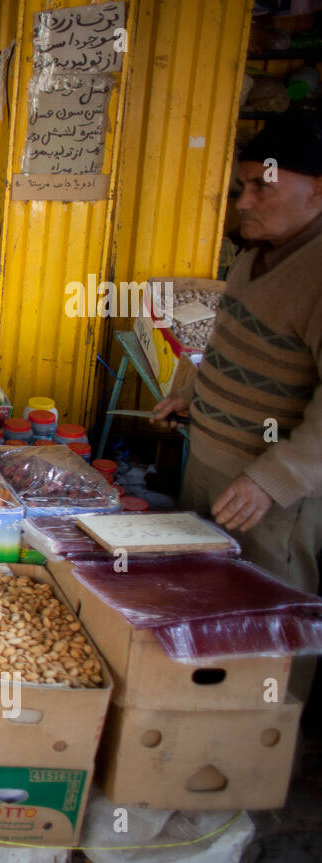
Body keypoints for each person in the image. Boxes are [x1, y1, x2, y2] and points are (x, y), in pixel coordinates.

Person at [153, 114, 322, 602]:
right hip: (210, 468)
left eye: (262, 187)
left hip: (272, 497)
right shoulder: (257, 253)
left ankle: (278, 686)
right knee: (203, 598)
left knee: (269, 618)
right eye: (241, 186)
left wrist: (272, 481)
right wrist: (195, 396)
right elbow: (244, 351)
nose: (243, 202)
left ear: (317, 189)